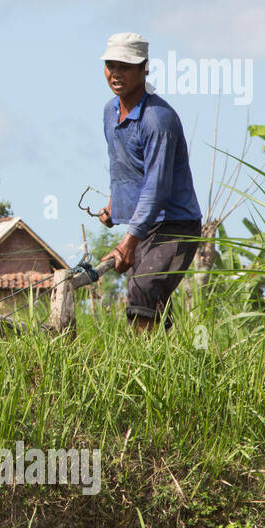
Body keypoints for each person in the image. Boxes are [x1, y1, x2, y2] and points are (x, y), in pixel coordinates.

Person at [94, 32, 203, 331]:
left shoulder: (158, 119)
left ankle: (136, 366)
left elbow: (157, 185)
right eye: (110, 65)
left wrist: (129, 241)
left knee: (143, 289)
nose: (116, 73)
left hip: (175, 224)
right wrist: (116, 205)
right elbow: (125, 166)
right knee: (149, 303)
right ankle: (170, 369)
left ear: (145, 68)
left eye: (125, 66)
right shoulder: (109, 111)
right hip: (144, 223)